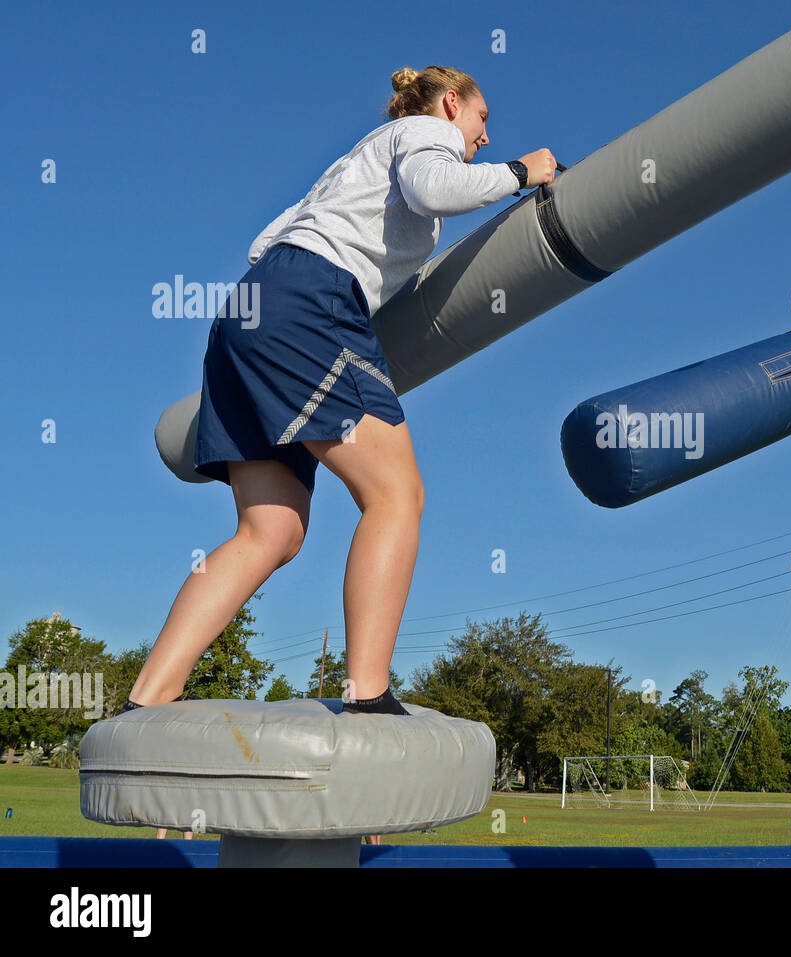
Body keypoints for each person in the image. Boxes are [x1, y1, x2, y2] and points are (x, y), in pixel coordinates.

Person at [126, 66, 557, 715]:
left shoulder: (354, 163)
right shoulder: (420, 134)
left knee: (270, 531)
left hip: (249, 312)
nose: (485, 136)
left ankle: (148, 698)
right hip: (310, 302)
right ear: (449, 104)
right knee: (396, 494)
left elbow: (263, 242)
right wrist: (523, 173)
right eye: (480, 118)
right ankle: (369, 696)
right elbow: (435, 186)